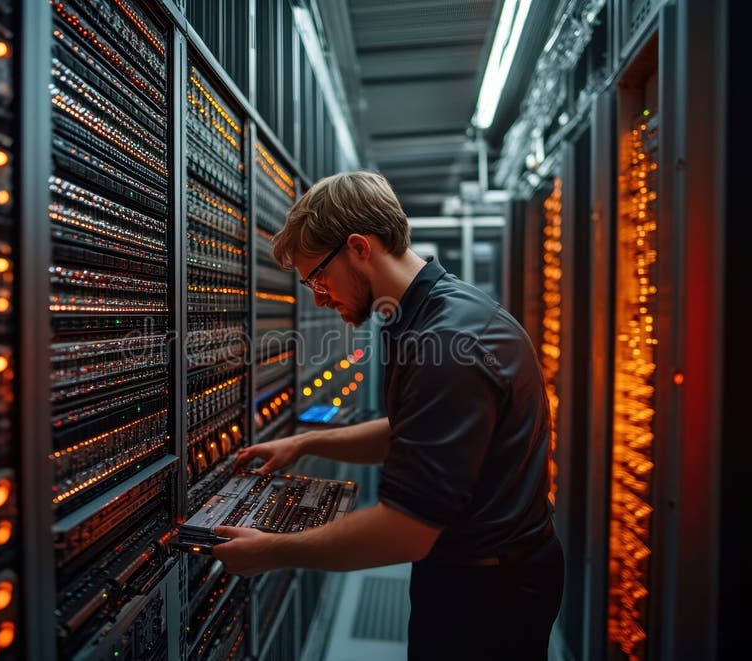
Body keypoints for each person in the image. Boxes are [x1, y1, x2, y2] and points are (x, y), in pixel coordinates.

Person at [212, 171, 564, 660]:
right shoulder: (423, 314)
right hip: (482, 571)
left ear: (359, 247)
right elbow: (412, 433)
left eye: (318, 276)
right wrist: (305, 443)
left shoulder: (445, 342)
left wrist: (272, 549)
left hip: (489, 592)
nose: (317, 295)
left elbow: (406, 531)